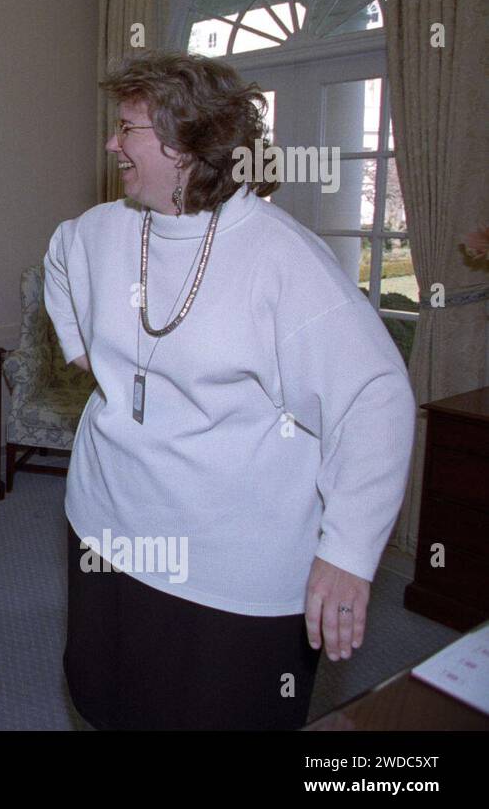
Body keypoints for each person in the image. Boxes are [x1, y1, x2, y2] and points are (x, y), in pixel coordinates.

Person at [45, 51, 416, 730]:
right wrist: (89, 355)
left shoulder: (283, 259)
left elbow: (375, 396)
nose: (111, 143)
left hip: (228, 564)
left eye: (126, 128)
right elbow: (59, 256)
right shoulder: (103, 229)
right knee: (108, 698)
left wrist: (348, 550)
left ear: (183, 143)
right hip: (104, 520)